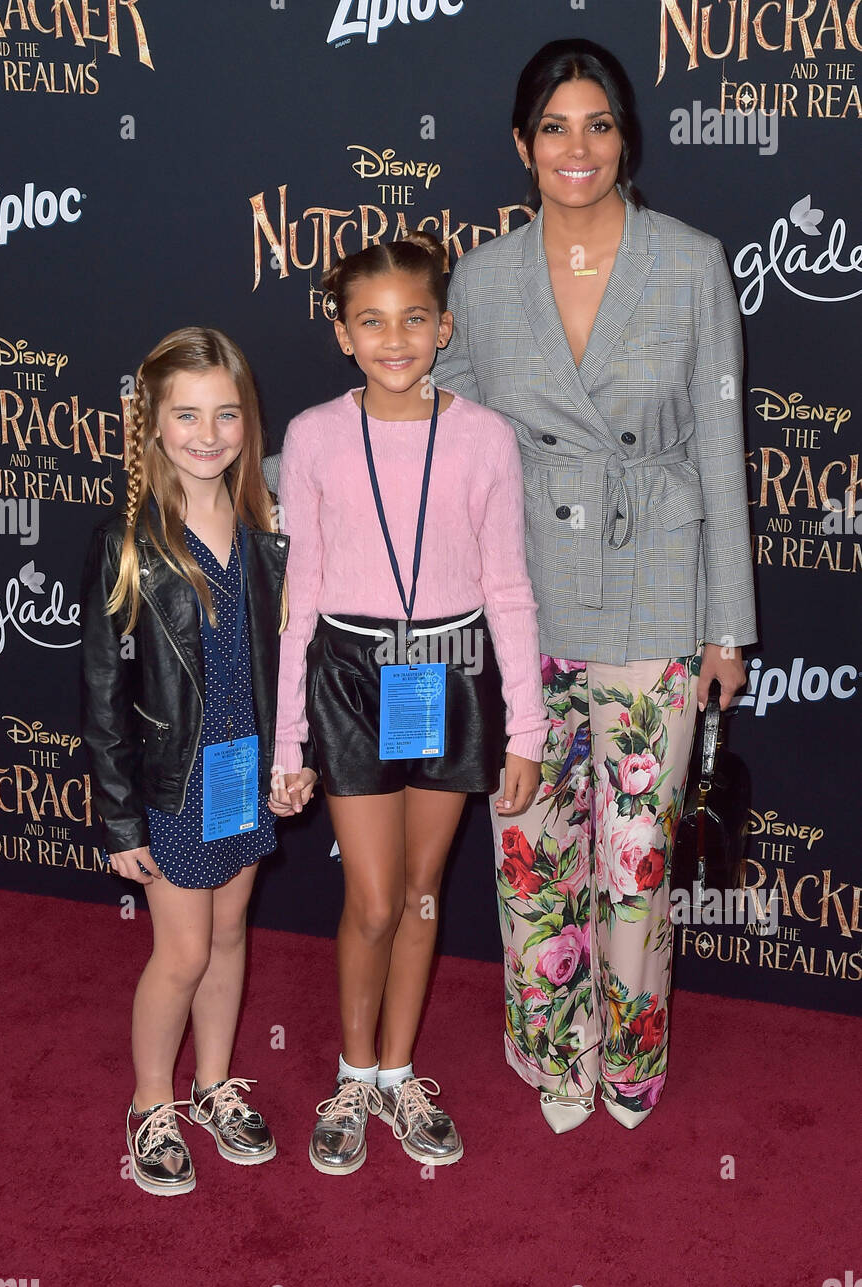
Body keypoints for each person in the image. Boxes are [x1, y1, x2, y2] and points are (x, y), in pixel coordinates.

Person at [432, 38, 757, 1132]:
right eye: (555, 128)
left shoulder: (690, 261)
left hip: (656, 579)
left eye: (599, 125)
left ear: (627, 138)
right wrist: (286, 479)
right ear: (521, 147)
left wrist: (727, 625)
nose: (578, 148)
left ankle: (628, 1055)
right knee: (529, 843)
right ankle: (547, 1050)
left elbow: (719, 443)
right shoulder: (478, 280)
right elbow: (437, 439)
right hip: (521, 592)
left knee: (633, 848)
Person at [271, 231, 548, 1174]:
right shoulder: (311, 436)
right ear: (343, 333)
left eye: (416, 319)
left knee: (424, 894)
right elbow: (298, 598)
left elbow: (510, 588)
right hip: (349, 671)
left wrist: (528, 726)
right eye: (372, 322)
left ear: (445, 327)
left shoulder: (484, 437)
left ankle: (397, 1075)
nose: (396, 340)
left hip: (451, 669)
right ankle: (351, 1075)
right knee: (376, 897)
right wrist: (287, 740)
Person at [80, 327, 317, 1195]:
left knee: (227, 935)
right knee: (178, 954)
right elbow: (104, 694)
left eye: (226, 414)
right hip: (173, 786)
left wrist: (290, 757)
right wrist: (119, 817)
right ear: (153, 423)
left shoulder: (267, 530)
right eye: (187, 415)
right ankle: (151, 1103)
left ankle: (213, 1086)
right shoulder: (131, 542)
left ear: (249, 423)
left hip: (244, 774)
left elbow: (287, 658)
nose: (208, 434)